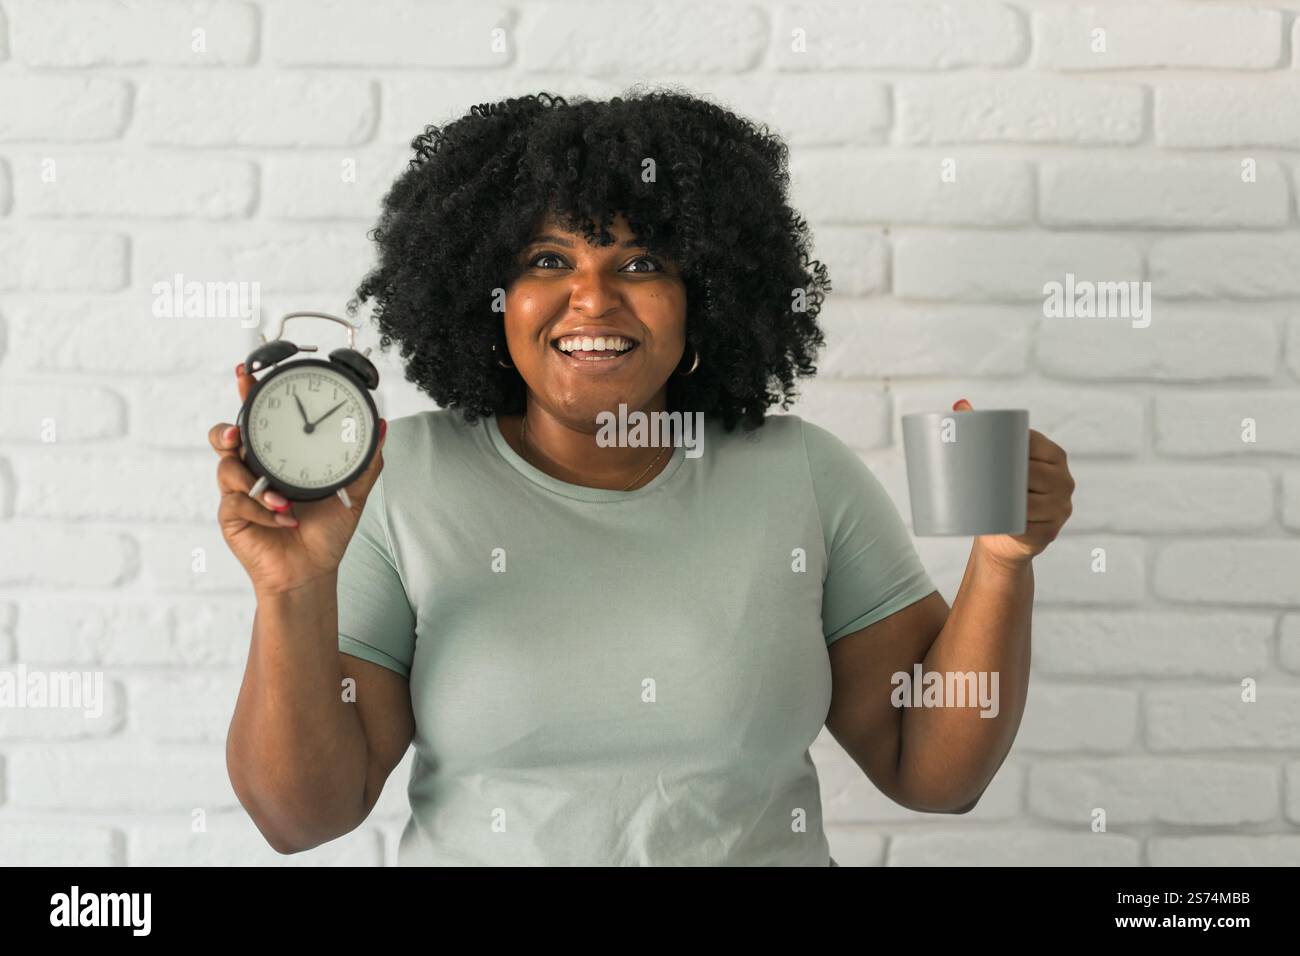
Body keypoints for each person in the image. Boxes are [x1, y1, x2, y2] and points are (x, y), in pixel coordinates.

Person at [212, 90, 1075, 866]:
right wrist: (292, 588)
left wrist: (1002, 561)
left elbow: (931, 773)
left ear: (705, 295)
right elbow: (302, 819)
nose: (592, 300)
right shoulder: (401, 481)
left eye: (640, 263)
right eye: (548, 261)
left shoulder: (803, 476)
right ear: (488, 294)